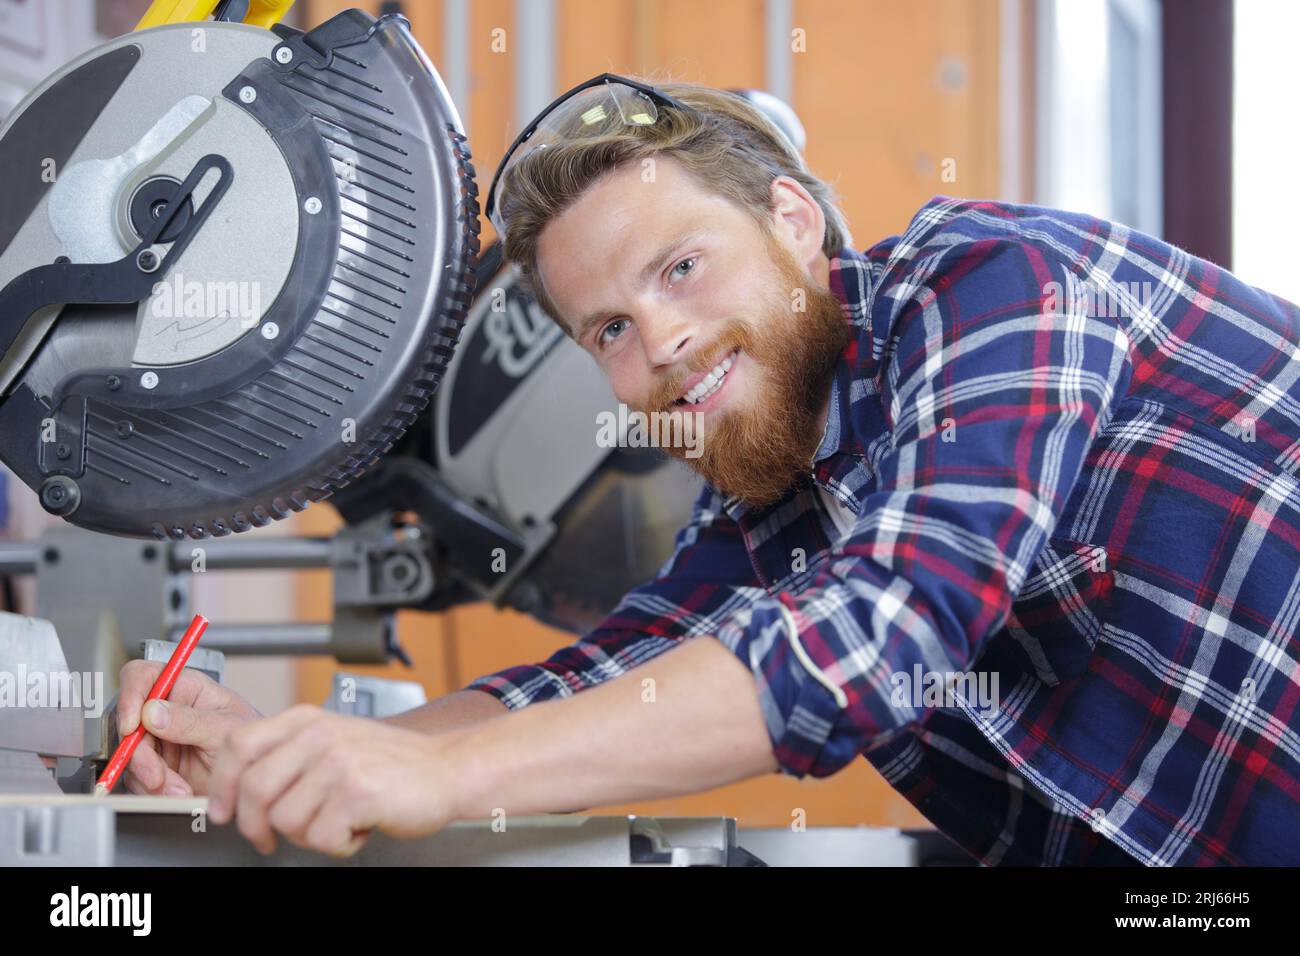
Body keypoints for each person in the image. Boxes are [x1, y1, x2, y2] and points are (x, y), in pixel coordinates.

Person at [118, 74, 1300, 865]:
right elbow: (600, 677)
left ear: (792, 220)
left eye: (680, 266)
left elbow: (884, 630)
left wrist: (441, 776)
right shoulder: (773, 491)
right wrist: (291, 752)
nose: (659, 342)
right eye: (609, 330)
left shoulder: (995, 282)